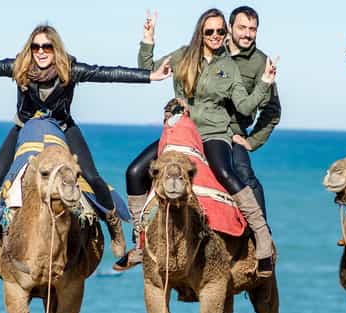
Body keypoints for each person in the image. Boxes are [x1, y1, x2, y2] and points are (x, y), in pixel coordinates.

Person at [0, 25, 172, 258]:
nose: (40, 51)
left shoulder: (70, 69)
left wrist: (151, 76)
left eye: (46, 46)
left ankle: (113, 223)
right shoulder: (19, 68)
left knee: (92, 177)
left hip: (62, 125)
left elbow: (109, 73)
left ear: (55, 48)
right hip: (25, 125)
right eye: (36, 46)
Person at [117, 8, 277, 276]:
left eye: (220, 32)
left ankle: (262, 238)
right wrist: (148, 39)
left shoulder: (228, 67)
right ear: (200, 33)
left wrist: (264, 83)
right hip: (182, 130)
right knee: (134, 172)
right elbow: (148, 70)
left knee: (226, 172)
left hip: (214, 133)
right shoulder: (182, 56)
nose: (216, 36)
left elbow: (246, 106)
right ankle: (141, 240)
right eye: (210, 31)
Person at [226, 6, 281, 219]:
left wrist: (252, 142)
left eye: (252, 29)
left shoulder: (260, 62)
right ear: (230, 27)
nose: (247, 34)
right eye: (242, 28)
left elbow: (272, 109)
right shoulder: (212, 51)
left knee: (246, 177)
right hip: (199, 127)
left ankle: (262, 240)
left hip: (233, 136)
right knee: (155, 170)